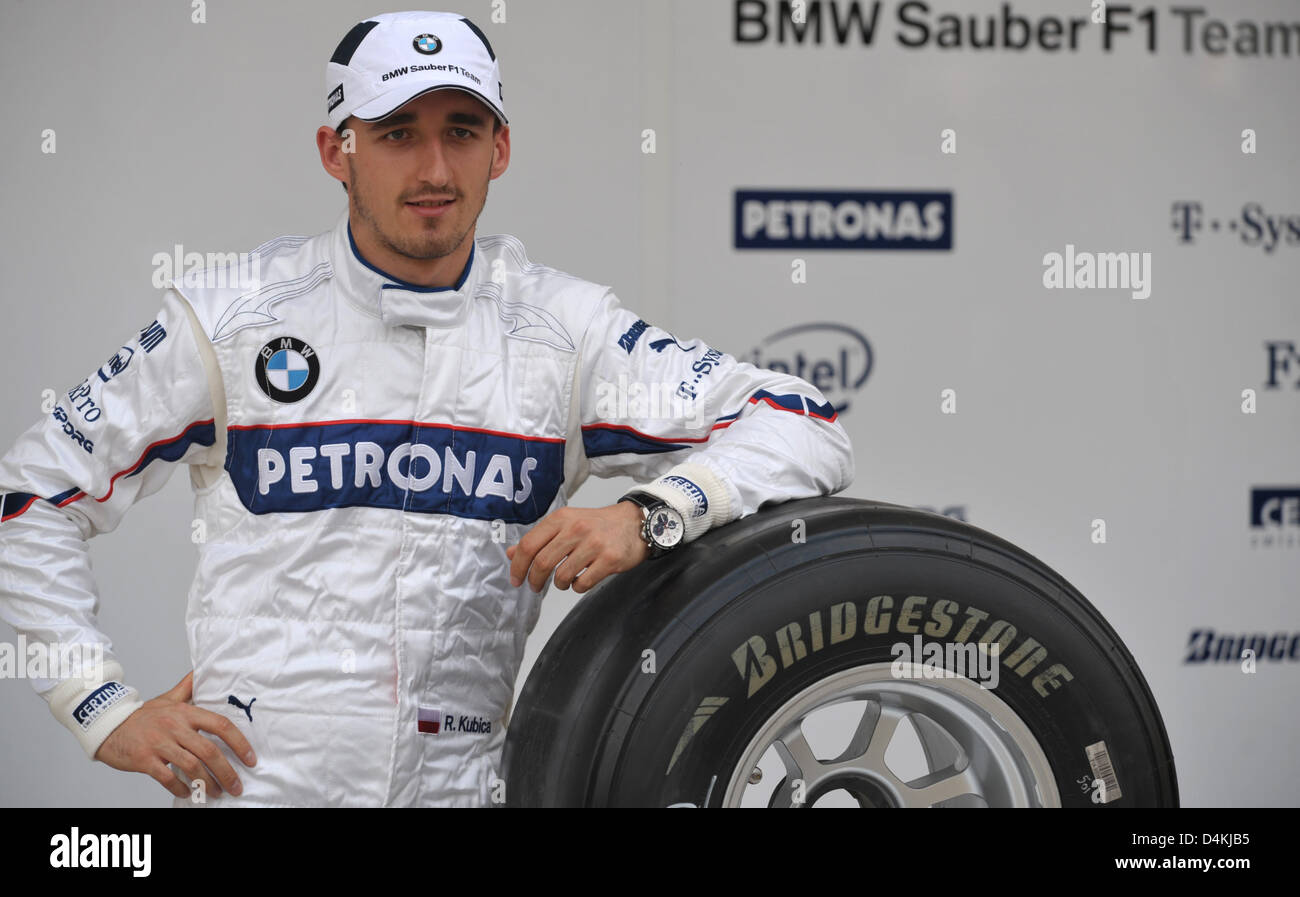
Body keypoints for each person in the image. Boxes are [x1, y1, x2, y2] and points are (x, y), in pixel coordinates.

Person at [0, 10, 854, 807]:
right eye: (398, 134)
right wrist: (99, 706)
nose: (435, 170)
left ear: (502, 148)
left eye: (461, 132)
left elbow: (804, 421)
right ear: (338, 150)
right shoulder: (232, 317)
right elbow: (31, 496)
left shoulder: (564, 330)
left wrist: (654, 512)